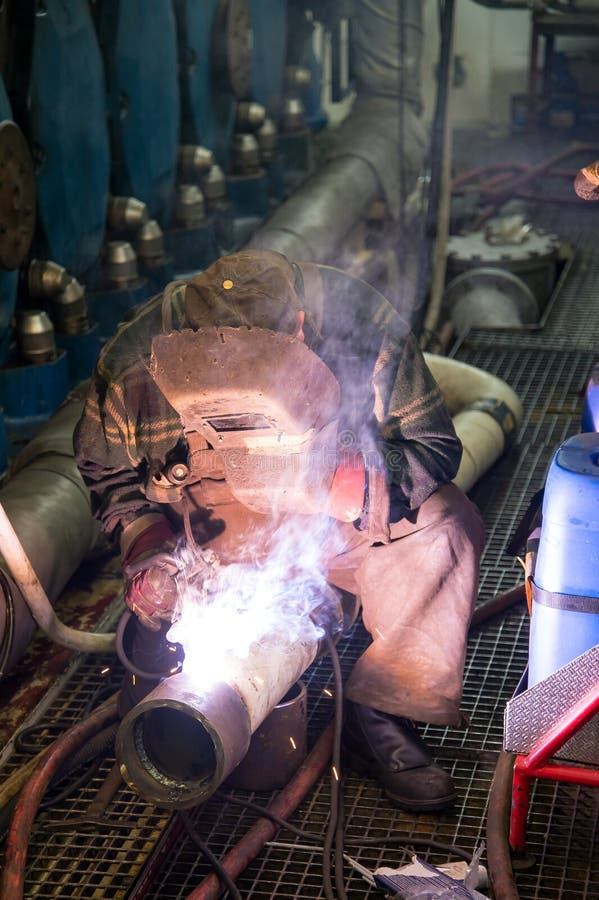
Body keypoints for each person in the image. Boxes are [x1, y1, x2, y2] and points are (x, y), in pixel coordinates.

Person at [74, 249, 484, 813]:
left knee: (444, 528)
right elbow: (105, 472)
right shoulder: (134, 364)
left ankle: (382, 710)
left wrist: (351, 481)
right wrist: (147, 547)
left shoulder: (360, 323)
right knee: (161, 658)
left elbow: (435, 447)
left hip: (334, 531)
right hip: (209, 548)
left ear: (297, 328)